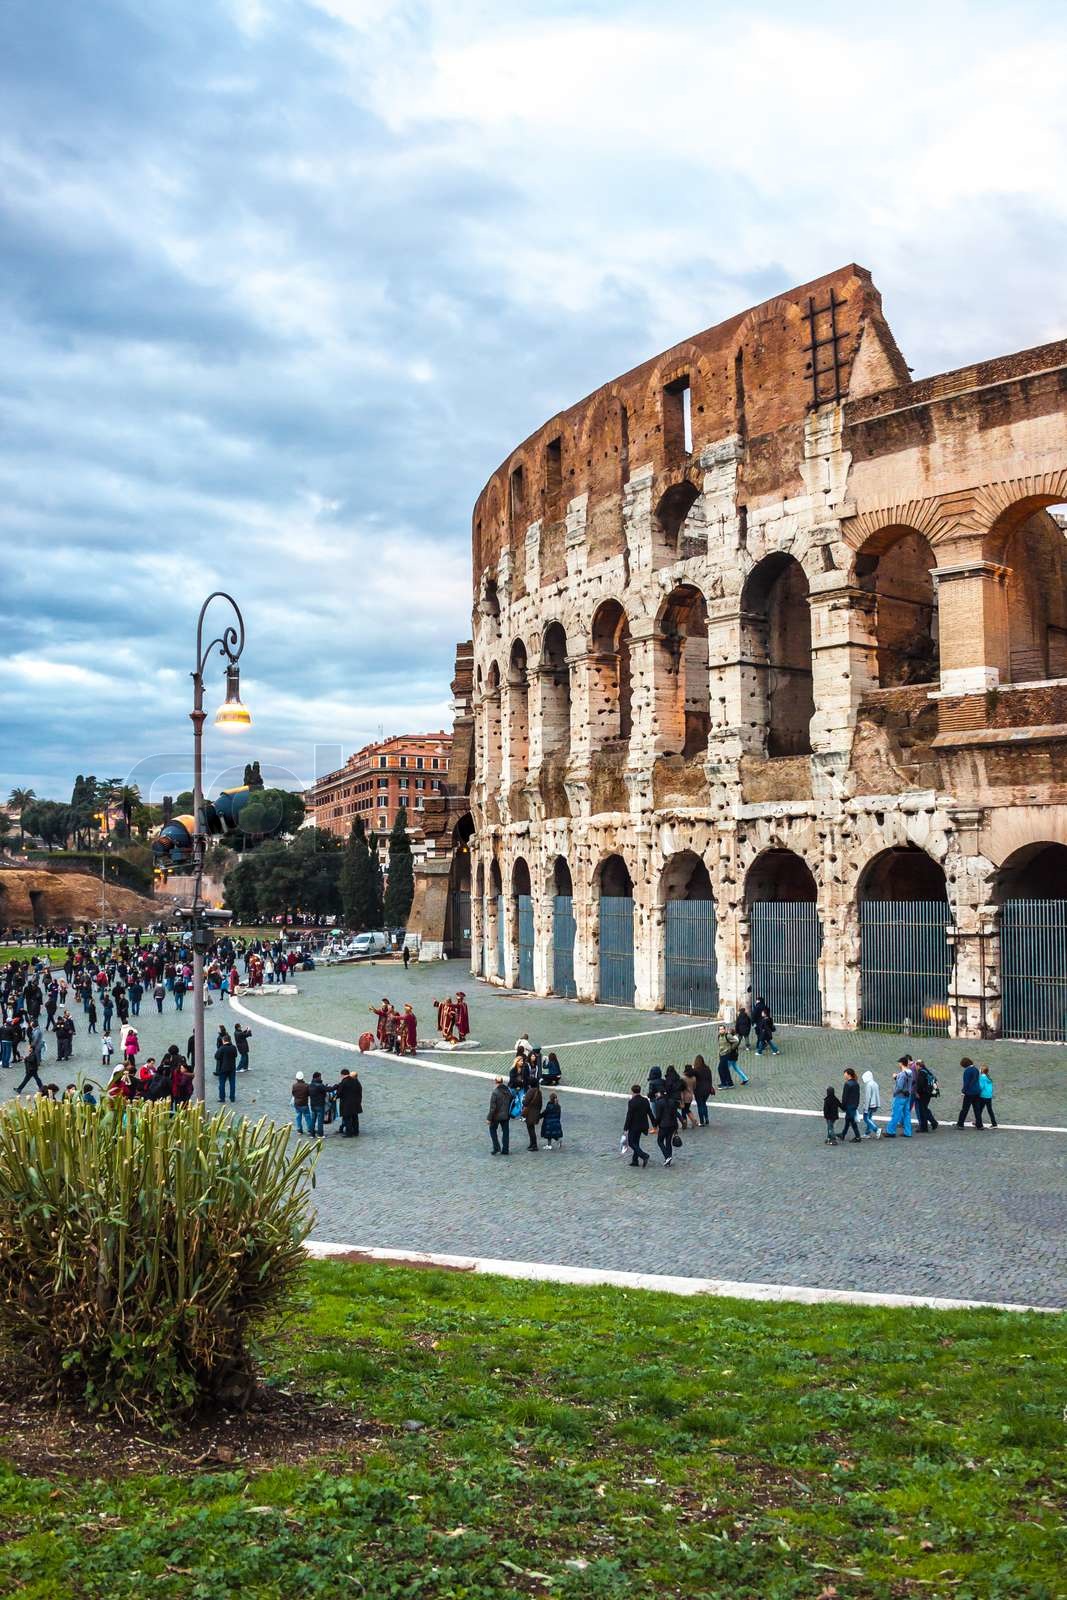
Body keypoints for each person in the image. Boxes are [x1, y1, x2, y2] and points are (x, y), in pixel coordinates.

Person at [883, 1058, 914, 1137]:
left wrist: (894, 1093)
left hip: (900, 1096)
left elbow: (900, 1087)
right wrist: (897, 1077)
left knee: (896, 1114)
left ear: (901, 1063)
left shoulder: (903, 1074)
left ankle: (891, 1131)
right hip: (907, 1096)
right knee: (907, 1114)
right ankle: (908, 1132)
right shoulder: (910, 1073)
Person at [623, 1083, 652, 1167]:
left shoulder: (632, 1102)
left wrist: (626, 1128)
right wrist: (654, 1124)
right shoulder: (645, 1100)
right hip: (643, 1125)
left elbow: (629, 1116)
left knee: (632, 1143)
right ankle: (635, 1160)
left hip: (634, 1126)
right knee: (636, 1143)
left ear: (632, 1092)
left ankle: (644, 1155)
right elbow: (649, 1112)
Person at [956, 1058, 985, 1129]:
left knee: (965, 1109)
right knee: (977, 1109)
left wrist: (963, 1091)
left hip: (969, 1093)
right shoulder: (976, 1069)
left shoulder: (967, 1071)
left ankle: (960, 1124)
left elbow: (966, 1083)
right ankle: (979, 1125)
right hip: (977, 1092)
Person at [653, 1090, 680, 1166]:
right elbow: (675, 1114)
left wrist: (655, 1125)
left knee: (660, 1141)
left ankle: (667, 1157)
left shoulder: (659, 1102)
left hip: (664, 1125)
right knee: (668, 1142)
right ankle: (669, 1160)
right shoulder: (672, 1102)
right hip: (672, 1125)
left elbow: (658, 1116)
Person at [335, 1068, 363, 1136]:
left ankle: (349, 1133)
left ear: (342, 1074)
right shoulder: (356, 1081)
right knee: (355, 1118)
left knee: (347, 1118)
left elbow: (339, 1093)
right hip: (356, 1103)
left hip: (346, 1104)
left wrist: (335, 1097)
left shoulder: (344, 1082)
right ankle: (356, 1132)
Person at [913, 1060, 940, 1132]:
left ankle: (927, 1126)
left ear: (918, 1066)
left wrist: (917, 1093)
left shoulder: (921, 1072)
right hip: (928, 1093)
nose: (915, 1067)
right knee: (925, 1109)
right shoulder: (927, 1071)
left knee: (922, 1110)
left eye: (916, 1065)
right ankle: (930, 1124)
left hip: (923, 1094)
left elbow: (920, 1085)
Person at [487, 1076, 511, 1155]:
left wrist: (489, 1118)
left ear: (495, 1082)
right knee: (506, 1132)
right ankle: (505, 1149)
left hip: (496, 1116)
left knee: (492, 1130)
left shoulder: (495, 1092)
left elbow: (492, 1108)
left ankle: (496, 1147)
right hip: (506, 1115)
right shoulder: (508, 1091)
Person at [214, 1031, 238, 1104]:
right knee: (232, 1083)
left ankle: (222, 1098)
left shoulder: (222, 1048)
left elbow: (216, 1056)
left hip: (223, 1068)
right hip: (232, 1068)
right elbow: (235, 1055)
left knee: (222, 1084)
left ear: (223, 1040)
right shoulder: (233, 1047)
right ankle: (232, 1097)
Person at [691, 1054, 715, 1125]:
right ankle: (706, 1118)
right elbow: (710, 1079)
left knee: (700, 1105)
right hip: (707, 1089)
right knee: (704, 1103)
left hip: (698, 1090)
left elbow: (691, 1075)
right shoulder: (707, 1069)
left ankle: (701, 1121)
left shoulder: (696, 1070)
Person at [840, 1069, 862, 1142]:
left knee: (852, 1122)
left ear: (849, 1075)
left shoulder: (847, 1084)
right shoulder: (856, 1083)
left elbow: (845, 1097)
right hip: (854, 1105)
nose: (844, 1075)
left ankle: (858, 1137)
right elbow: (858, 1095)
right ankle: (843, 1134)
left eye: (845, 1073)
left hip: (849, 1106)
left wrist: (843, 1106)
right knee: (848, 1120)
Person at [522, 1079, 543, 1150]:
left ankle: (534, 1145)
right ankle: (532, 1144)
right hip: (536, 1113)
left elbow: (525, 1102)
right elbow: (541, 1104)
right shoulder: (539, 1092)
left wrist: (523, 1100)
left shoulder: (530, 1091)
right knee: (531, 1129)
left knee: (531, 1129)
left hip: (530, 1113)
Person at [860, 1070, 881, 1138]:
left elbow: (867, 1097)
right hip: (875, 1104)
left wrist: (865, 1108)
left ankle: (876, 1129)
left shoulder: (868, 1085)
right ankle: (867, 1133)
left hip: (869, 1105)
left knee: (866, 1118)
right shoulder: (875, 1083)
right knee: (869, 1118)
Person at [291, 1070, 313, 1135]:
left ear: (296, 1078)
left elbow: (293, 1093)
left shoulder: (294, 1085)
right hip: (304, 1104)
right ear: (302, 1078)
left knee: (298, 1117)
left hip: (297, 1104)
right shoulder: (306, 1085)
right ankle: (309, 1130)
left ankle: (299, 1130)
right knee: (307, 1117)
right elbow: (309, 1094)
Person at [307, 1071, 329, 1137]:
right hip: (319, 1105)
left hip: (312, 1105)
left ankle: (312, 1134)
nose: (321, 1078)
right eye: (320, 1077)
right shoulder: (320, 1085)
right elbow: (328, 1089)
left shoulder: (310, 1085)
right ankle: (320, 1134)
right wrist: (336, 1086)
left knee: (313, 1120)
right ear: (318, 1077)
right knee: (320, 1121)